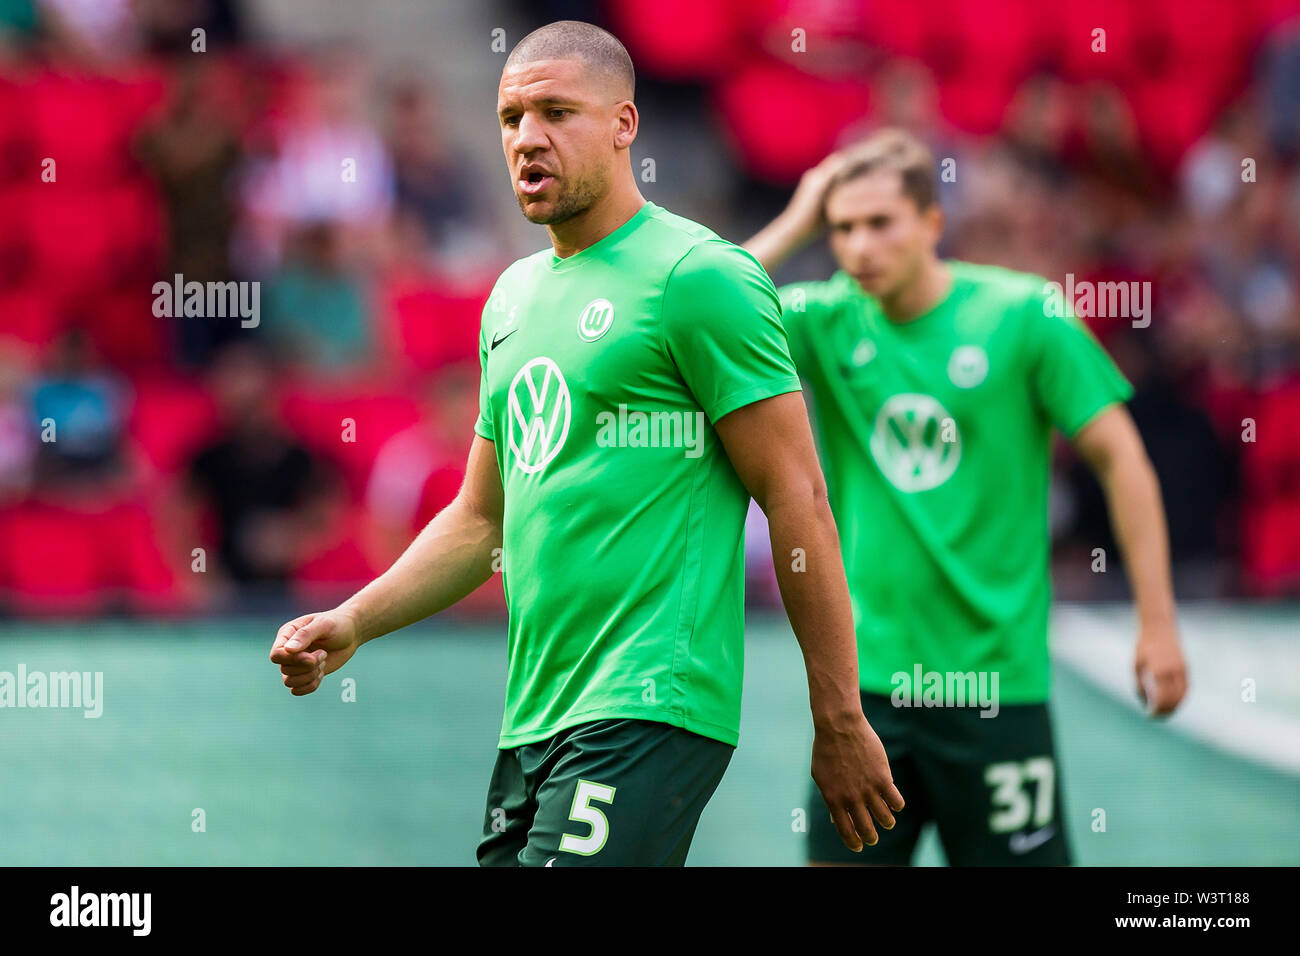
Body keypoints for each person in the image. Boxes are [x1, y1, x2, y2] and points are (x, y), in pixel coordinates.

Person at [270, 20, 903, 867]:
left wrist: (839, 718)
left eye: (557, 113)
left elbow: (798, 498)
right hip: (535, 718)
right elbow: (478, 521)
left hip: (651, 703)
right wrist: (354, 620)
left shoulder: (699, 277)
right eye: (509, 118)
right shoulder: (511, 299)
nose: (527, 138)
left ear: (623, 125)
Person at [744, 128, 1188, 865]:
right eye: (843, 227)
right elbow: (710, 312)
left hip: (995, 689)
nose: (859, 247)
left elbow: (1124, 460)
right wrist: (799, 217)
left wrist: (1159, 622)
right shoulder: (824, 320)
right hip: (866, 697)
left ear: (932, 224)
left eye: (880, 223)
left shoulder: (1024, 316)